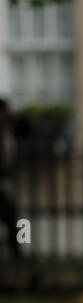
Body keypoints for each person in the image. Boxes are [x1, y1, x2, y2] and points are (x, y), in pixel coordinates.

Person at [0, 99, 20, 258]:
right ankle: (16, 253)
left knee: (11, 218)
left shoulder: (7, 129)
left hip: (5, 182)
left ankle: (16, 252)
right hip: (2, 182)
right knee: (10, 218)